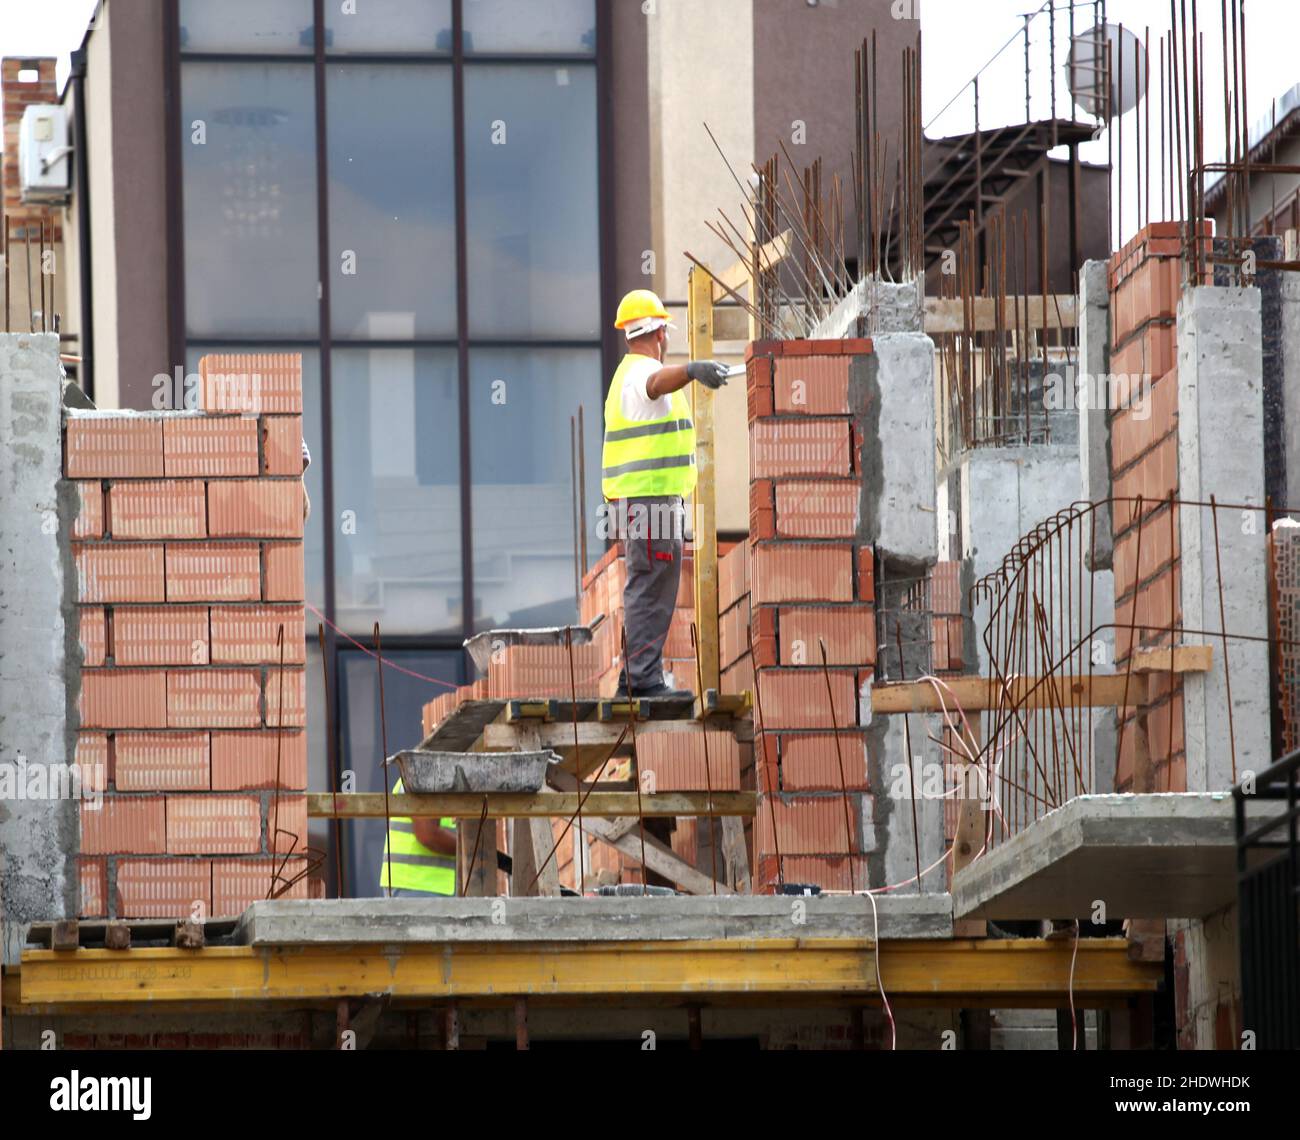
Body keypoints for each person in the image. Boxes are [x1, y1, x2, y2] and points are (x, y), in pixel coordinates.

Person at [602, 289, 729, 699]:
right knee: (651, 587)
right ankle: (643, 679)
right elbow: (657, 383)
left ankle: (636, 676)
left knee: (650, 584)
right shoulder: (640, 373)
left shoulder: (627, 375)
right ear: (659, 333)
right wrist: (692, 369)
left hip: (646, 501)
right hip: (649, 501)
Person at [378, 776, 457, 896]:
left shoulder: (438, 775)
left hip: (425, 886)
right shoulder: (424, 774)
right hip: (416, 887)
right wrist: (474, 849)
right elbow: (428, 835)